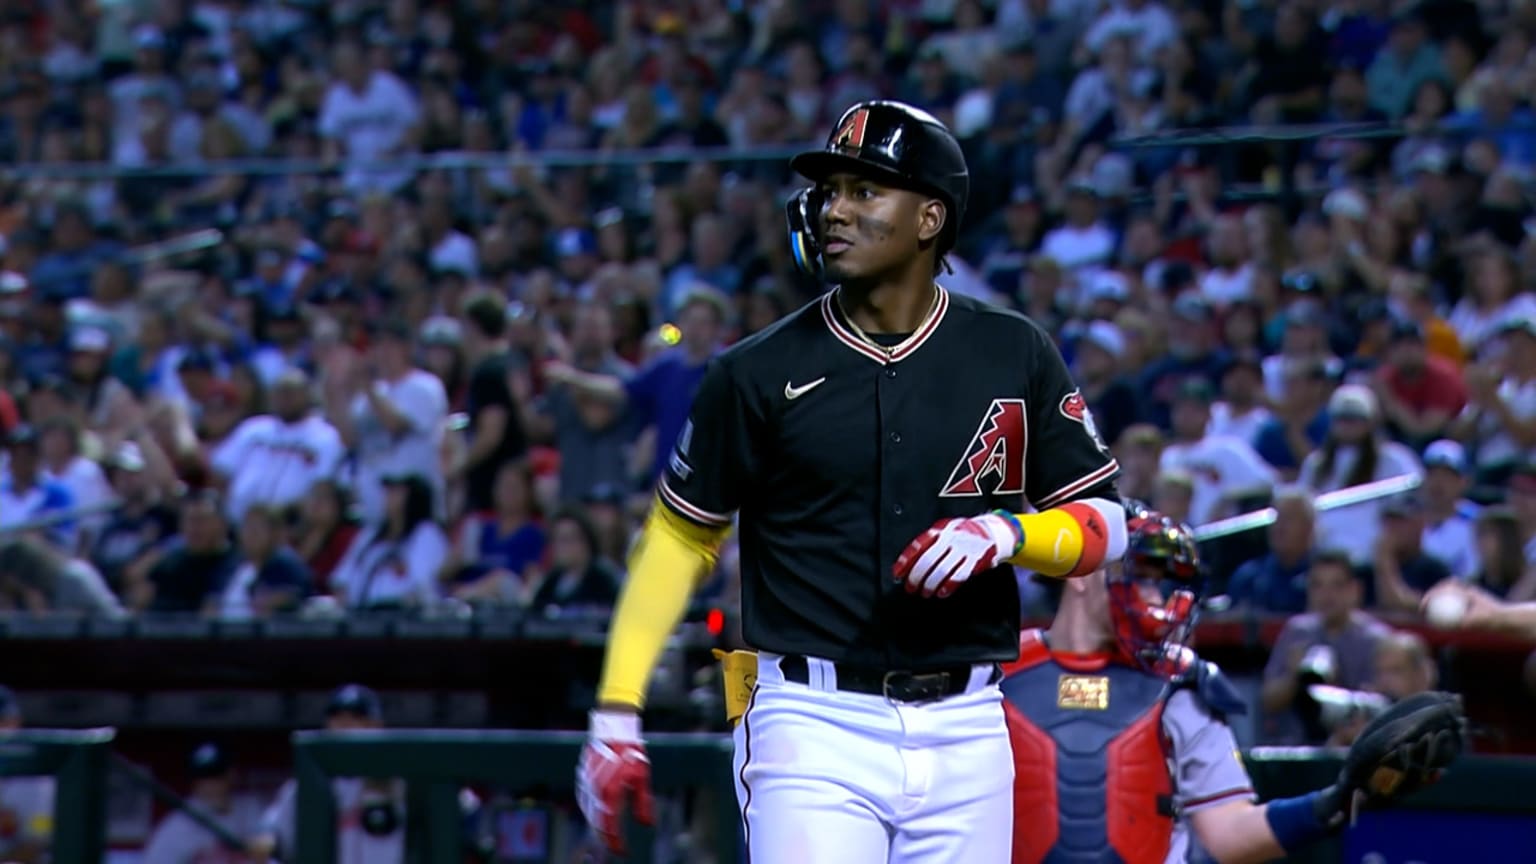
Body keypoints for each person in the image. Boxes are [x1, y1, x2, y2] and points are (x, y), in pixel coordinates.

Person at [576, 100, 1128, 863]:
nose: (835, 209)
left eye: (865, 191)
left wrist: (1011, 533)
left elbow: (1106, 520)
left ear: (930, 217)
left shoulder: (1012, 351)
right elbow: (679, 537)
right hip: (811, 719)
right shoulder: (755, 371)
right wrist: (616, 706)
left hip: (969, 722)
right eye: (831, 190)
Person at [1006, 511, 1465, 864]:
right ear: (1083, 570)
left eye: (1164, 584)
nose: (1155, 598)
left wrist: (1338, 802)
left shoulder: (1180, 685)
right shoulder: (995, 673)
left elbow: (1229, 834)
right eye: (1142, 575)